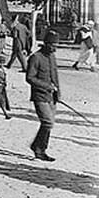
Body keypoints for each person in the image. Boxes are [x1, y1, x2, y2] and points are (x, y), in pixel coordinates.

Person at [26, 30, 61, 162]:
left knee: (49, 124)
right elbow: (29, 78)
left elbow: (55, 76)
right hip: (39, 96)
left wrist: (58, 93)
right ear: (46, 43)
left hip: (51, 97)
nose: (55, 49)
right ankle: (40, 149)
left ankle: (38, 146)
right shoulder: (36, 57)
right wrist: (48, 87)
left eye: (56, 46)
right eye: (53, 45)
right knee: (47, 122)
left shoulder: (52, 56)